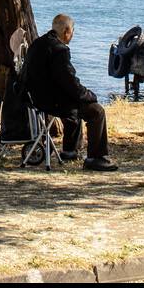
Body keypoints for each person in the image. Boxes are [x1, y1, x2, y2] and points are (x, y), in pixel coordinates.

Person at [22, 14, 118, 171]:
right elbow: (70, 83)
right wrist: (89, 95)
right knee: (96, 111)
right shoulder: (59, 50)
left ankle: (69, 151)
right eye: (72, 31)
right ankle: (97, 158)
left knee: (75, 104)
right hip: (50, 101)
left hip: (34, 98)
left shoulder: (38, 44)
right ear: (66, 31)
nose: (72, 34)